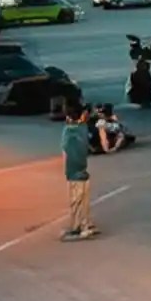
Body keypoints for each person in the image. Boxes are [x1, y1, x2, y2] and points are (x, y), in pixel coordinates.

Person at [61, 104, 98, 242]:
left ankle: (79, 226)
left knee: (75, 201)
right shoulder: (83, 128)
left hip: (73, 170)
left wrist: (65, 170)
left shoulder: (67, 132)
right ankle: (85, 223)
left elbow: (65, 151)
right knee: (84, 201)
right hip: (83, 168)